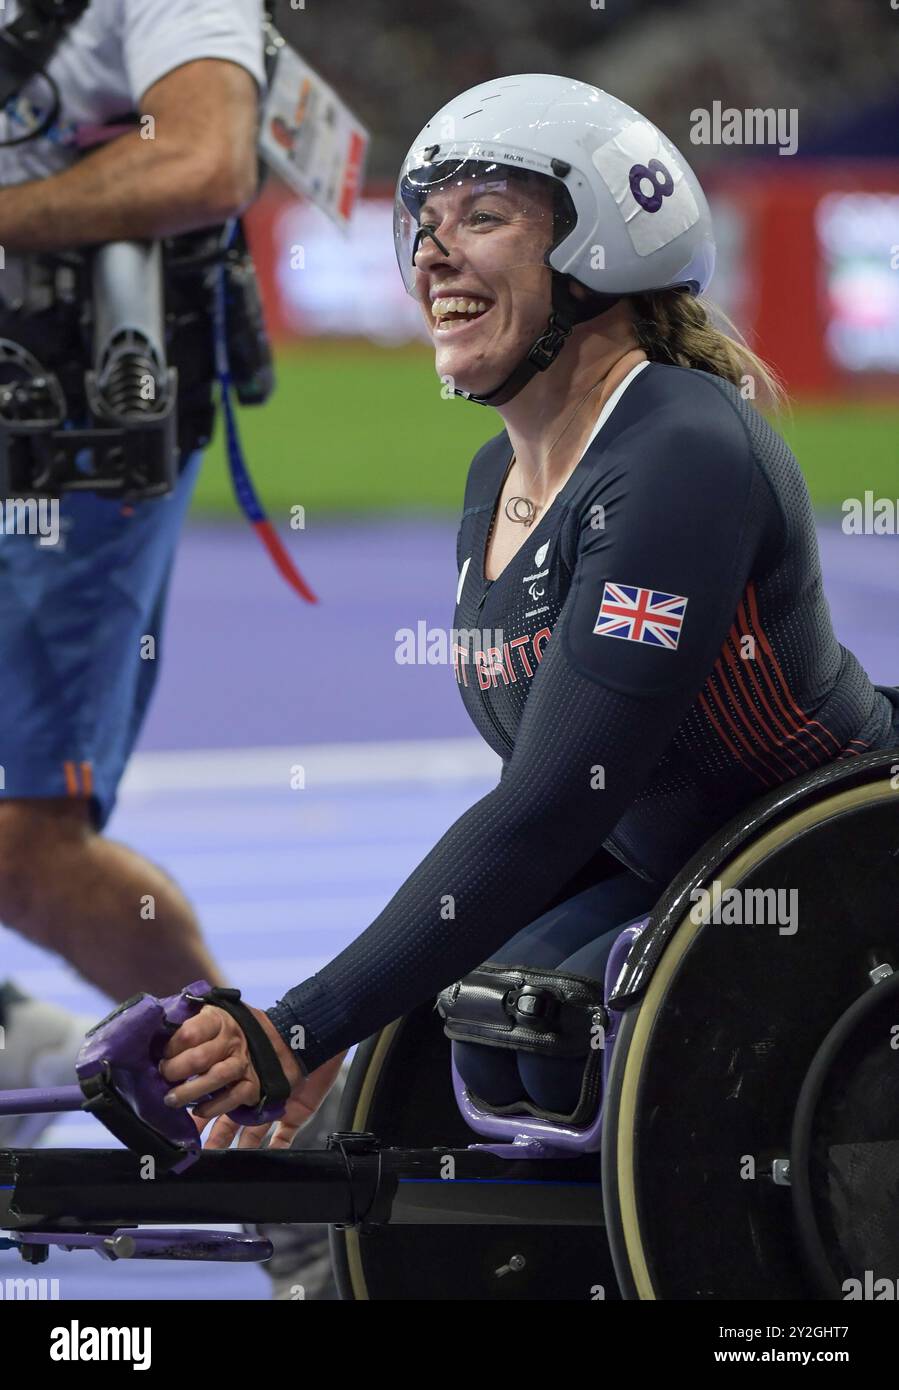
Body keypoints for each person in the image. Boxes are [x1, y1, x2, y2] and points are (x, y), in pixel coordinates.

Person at [158, 74, 899, 1142]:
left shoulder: (679, 448)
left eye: (484, 218)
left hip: (844, 867)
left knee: (545, 1030)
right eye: (425, 224)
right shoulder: (488, 483)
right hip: (691, 867)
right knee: (498, 1013)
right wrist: (348, 1044)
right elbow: (560, 809)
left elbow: (554, 798)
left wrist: (302, 1025)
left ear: (601, 247)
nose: (429, 254)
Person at [0, 0, 262, 1131]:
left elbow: (207, 158)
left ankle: (272, 1105)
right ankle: (16, 1039)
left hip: (75, 437)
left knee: (24, 844)